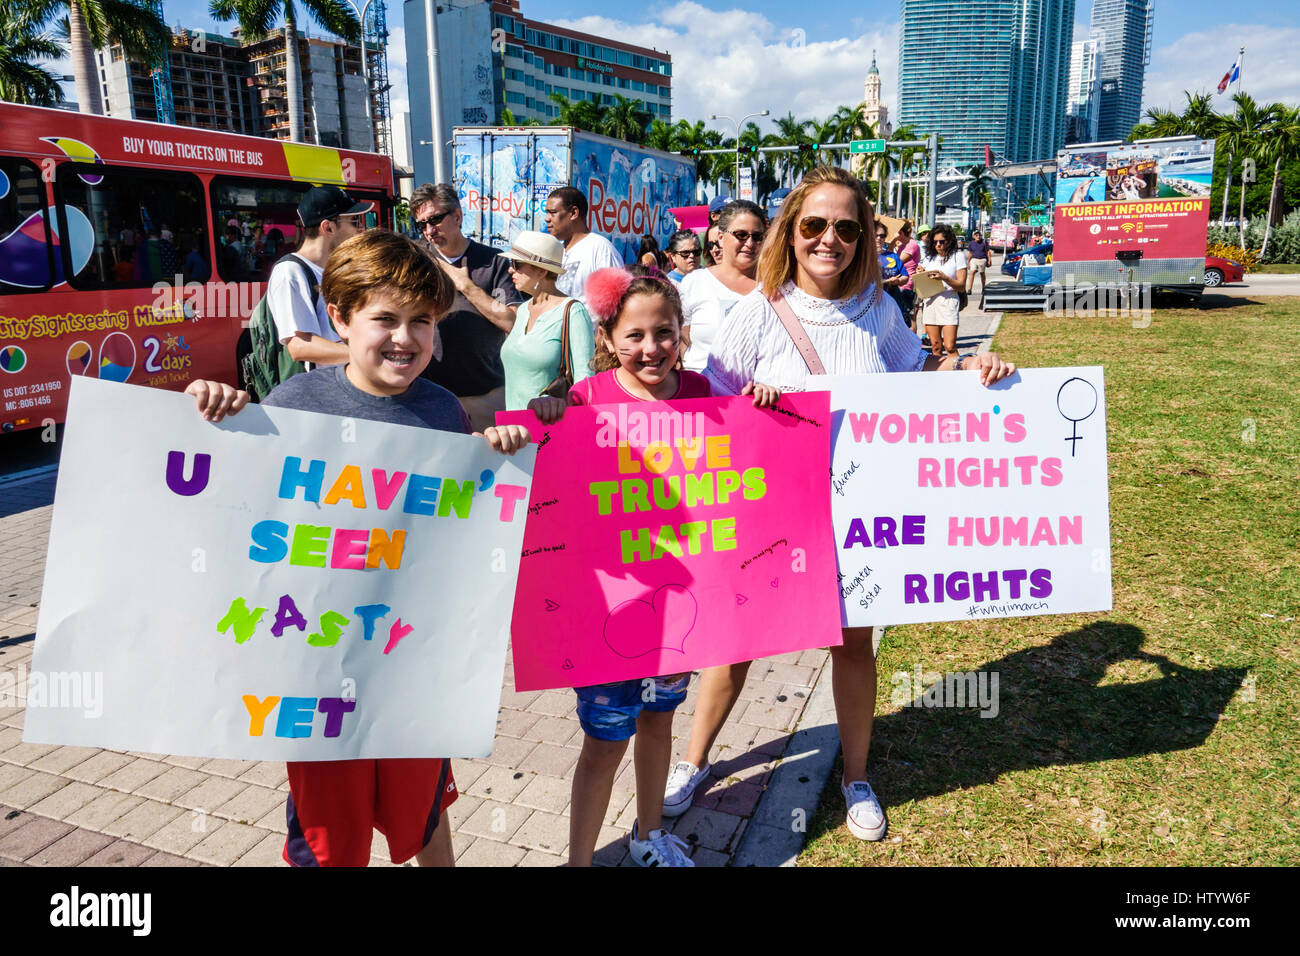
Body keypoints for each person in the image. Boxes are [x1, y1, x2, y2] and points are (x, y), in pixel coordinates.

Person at [666, 166, 1016, 841]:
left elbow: (917, 373)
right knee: (737, 642)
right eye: (815, 225)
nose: (830, 239)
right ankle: (693, 761)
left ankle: (856, 776)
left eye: (847, 228)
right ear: (790, 232)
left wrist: (970, 368)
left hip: (861, 515)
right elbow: (712, 399)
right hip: (770, 514)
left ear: (863, 238)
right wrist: (744, 405)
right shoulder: (758, 312)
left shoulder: (880, 309)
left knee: (854, 646)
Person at [184, 230, 532, 867]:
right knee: (326, 834)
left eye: (422, 322)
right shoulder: (291, 407)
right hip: (315, 664)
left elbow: (457, 529)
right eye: (386, 319)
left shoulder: (443, 412)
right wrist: (215, 416)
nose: (405, 337)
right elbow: (241, 517)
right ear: (340, 318)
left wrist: (499, 457)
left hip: (411, 663)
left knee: (421, 811)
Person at [526, 266, 777, 867]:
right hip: (605, 612)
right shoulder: (586, 400)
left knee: (660, 723)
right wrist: (545, 415)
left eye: (664, 333)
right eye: (634, 335)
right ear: (609, 338)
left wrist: (760, 404)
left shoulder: (701, 394)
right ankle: (580, 860)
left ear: (682, 334)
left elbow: (748, 448)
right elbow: (544, 463)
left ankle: (646, 836)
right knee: (604, 742)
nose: (650, 348)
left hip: (679, 611)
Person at [410, 182, 523, 432]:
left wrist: (466, 285)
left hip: (484, 395)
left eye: (436, 219)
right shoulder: (415, 259)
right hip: (427, 395)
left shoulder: (494, 262)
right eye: (422, 224)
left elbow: (513, 322)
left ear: (458, 216)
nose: (429, 230)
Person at [266, 185, 369, 370]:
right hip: (322, 392)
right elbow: (300, 346)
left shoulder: (337, 268)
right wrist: (368, 356)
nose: (361, 229)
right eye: (354, 221)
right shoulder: (290, 272)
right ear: (328, 227)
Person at [499, 230, 595, 411]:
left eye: (517, 264)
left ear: (542, 271)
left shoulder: (573, 312)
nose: (510, 269)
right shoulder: (522, 311)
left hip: (550, 430)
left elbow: (585, 385)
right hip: (513, 429)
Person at [679, 200, 766, 373]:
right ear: (720, 237)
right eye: (741, 235)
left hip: (756, 396)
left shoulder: (776, 287)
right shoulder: (695, 282)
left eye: (756, 237)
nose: (749, 243)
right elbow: (681, 341)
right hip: (702, 391)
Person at [544, 186, 624, 303]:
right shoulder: (555, 251)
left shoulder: (601, 249)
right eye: (547, 213)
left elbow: (616, 302)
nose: (547, 219)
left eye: (553, 213)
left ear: (573, 213)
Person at [918, 224, 967, 360]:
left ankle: (959, 374)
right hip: (930, 301)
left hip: (948, 301)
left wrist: (944, 277)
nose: (938, 245)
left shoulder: (958, 256)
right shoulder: (929, 258)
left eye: (941, 241)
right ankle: (938, 376)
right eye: (934, 242)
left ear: (949, 241)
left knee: (950, 346)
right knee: (935, 346)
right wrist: (921, 273)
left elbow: (961, 286)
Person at [876, 222, 909, 313]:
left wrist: (898, 281)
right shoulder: (864, 257)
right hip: (872, 305)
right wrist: (887, 281)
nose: (879, 238)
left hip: (892, 302)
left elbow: (905, 276)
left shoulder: (892, 256)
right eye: (875, 235)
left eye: (882, 236)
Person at [966, 229, 989, 300]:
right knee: (972, 272)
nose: (978, 236)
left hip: (982, 259)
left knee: (982, 273)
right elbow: (970, 253)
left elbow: (988, 252)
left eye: (979, 235)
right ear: (973, 236)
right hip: (974, 259)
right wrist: (968, 262)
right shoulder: (971, 243)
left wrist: (989, 261)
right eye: (976, 235)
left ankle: (983, 288)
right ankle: (969, 289)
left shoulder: (984, 242)